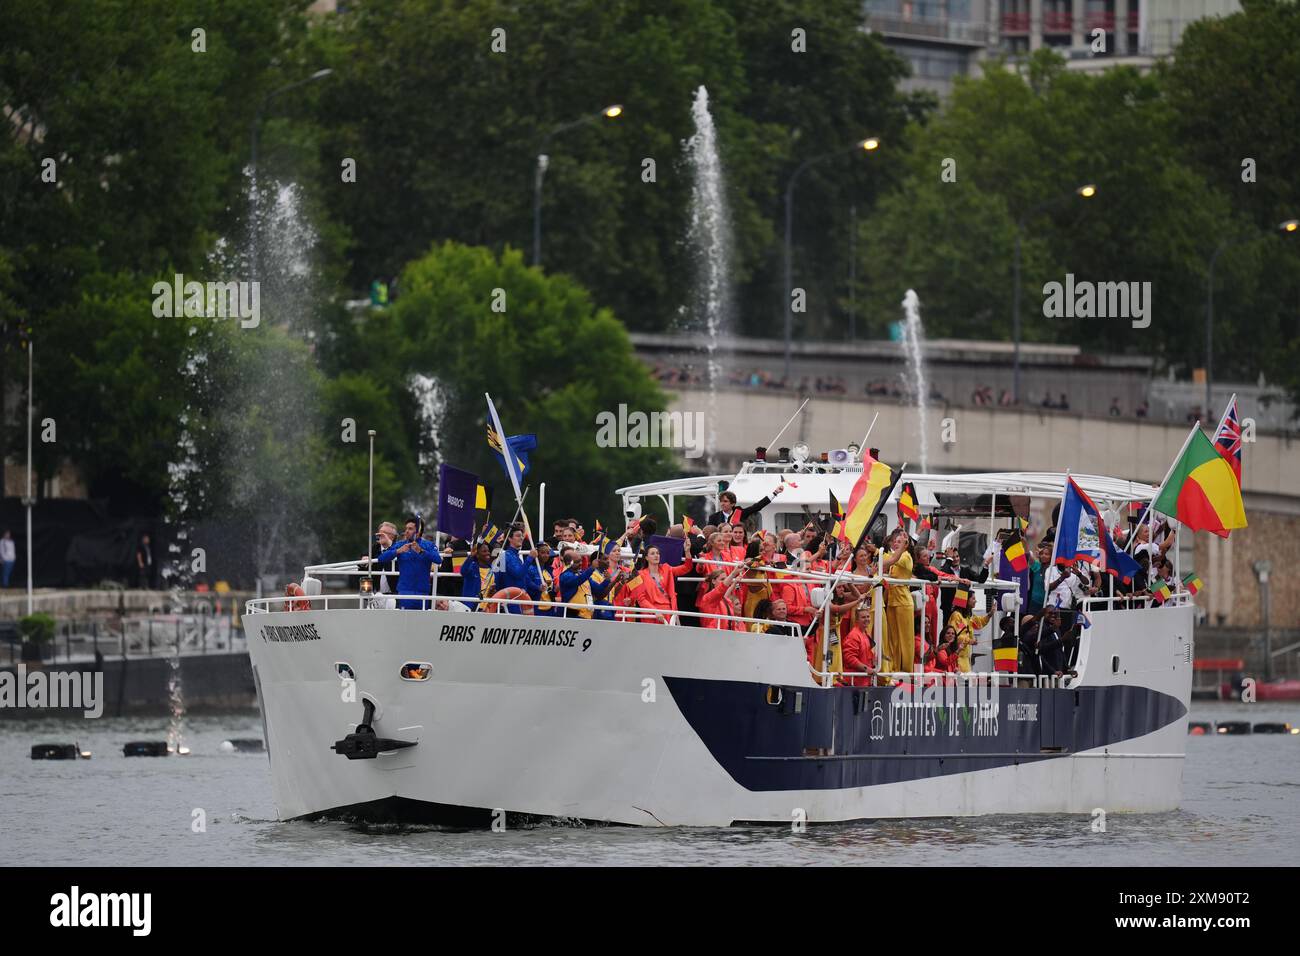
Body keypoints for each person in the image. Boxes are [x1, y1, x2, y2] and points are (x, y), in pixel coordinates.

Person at [375, 517, 445, 609]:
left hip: (423, 593)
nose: (406, 531)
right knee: (403, 622)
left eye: (410, 529)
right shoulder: (400, 544)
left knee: (422, 622)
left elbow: (438, 560)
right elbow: (381, 558)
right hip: (404, 592)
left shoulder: (428, 545)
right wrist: (397, 551)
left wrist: (421, 551)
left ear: (418, 531)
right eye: (406, 528)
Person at [625, 539, 694, 624]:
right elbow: (641, 600)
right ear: (646, 557)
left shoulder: (667, 568)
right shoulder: (638, 574)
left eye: (658, 553)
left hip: (669, 612)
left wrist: (687, 551)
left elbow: (687, 567)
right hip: (650, 614)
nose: (656, 555)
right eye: (652, 553)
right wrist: (655, 611)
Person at [879, 528, 916, 675]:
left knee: (905, 639)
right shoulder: (896, 556)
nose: (896, 544)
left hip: (903, 601)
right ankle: (893, 667)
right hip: (893, 599)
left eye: (900, 542)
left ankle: (907, 670)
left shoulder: (905, 556)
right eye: (895, 541)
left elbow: (888, 560)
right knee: (893, 637)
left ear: (906, 545)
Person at [493, 525, 542, 611]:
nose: (522, 538)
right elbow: (518, 574)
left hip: (519, 600)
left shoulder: (516, 557)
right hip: (510, 602)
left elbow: (525, 579)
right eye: (518, 536)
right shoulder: (505, 556)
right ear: (509, 538)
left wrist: (538, 587)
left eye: (522, 536)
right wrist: (530, 558)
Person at [696, 564, 747, 631]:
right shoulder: (708, 597)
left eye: (725, 579)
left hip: (726, 635)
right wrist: (733, 574)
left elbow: (725, 591)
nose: (725, 581)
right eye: (722, 579)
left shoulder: (724, 599)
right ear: (713, 581)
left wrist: (735, 582)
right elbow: (721, 588)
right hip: (713, 635)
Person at [707, 485, 783, 528]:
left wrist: (775, 493)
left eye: (725, 501)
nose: (722, 504)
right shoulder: (713, 517)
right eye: (721, 501)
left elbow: (758, 506)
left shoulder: (740, 513)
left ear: (733, 504)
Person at [841, 604, 876, 686]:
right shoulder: (854, 635)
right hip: (854, 682)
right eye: (863, 617)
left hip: (863, 681)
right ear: (857, 620)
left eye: (868, 616)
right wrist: (866, 669)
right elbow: (849, 658)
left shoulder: (865, 634)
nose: (866, 619)